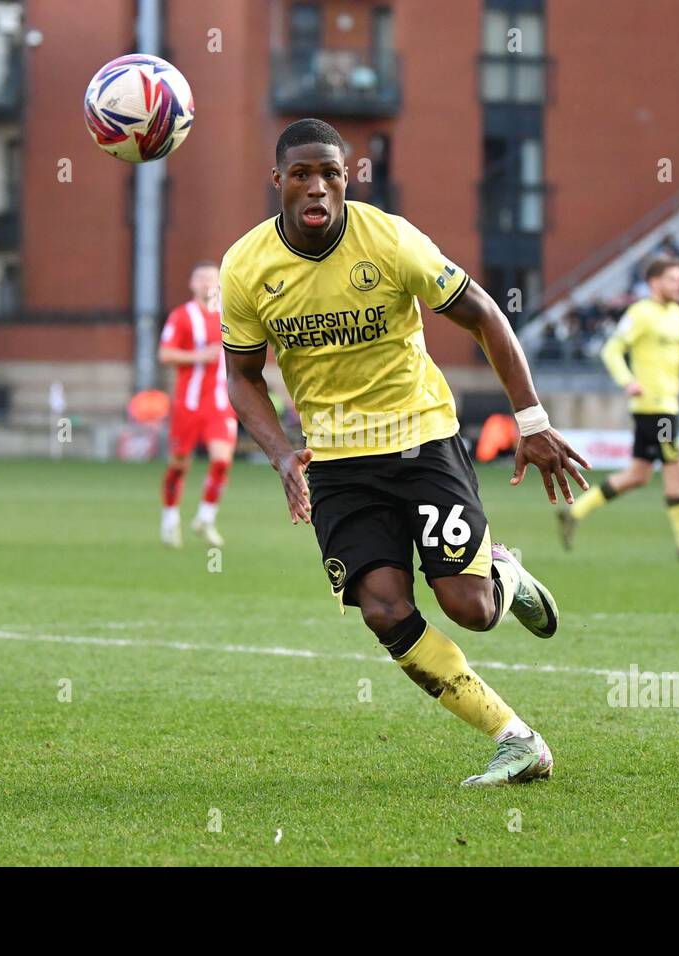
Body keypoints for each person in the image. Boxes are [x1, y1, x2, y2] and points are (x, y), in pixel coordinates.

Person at [221, 119, 588, 787]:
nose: (317, 186)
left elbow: (482, 312)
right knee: (384, 609)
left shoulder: (388, 239)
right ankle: (518, 740)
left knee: (469, 609)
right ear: (278, 181)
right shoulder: (245, 266)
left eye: (331, 173)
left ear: (346, 180)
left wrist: (531, 420)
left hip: (421, 440)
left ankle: (505, 575)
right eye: (302, 173)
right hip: (335, 462)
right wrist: (279, 453)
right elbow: (242, 376)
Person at [559, 256, 679, 561]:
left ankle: (575, 512)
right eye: (673, 279)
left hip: (667, 404)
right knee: (677, 470)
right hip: (654, 407)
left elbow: (671, 354)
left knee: (639, 474)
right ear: (654, 282)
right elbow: (611, 349)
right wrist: (628, 381)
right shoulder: (640, 313)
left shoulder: (677, 314)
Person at [158, 262, 237, 548]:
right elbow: (165, 354)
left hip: (219, 404)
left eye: (211, 279)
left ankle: (205, 518)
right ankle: (169, 517)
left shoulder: (231, 315)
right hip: (188, 404)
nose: (206, 283)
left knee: (221, 459)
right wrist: (199, 356)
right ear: (192, 284)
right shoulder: (181, 316)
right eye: (201, 278)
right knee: (180, 464)